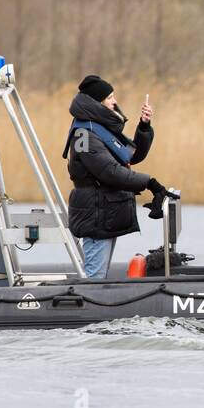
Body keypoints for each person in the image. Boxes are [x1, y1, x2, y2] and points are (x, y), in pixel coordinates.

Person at [62, 74, 167, 279]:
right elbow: (110, 172)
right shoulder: (84, 134)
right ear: (98, 103)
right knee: (95, 277)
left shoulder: (99, 128)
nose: (115, 101)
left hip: (105, 213)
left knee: (99, 276)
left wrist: (144, 127)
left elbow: (131, 156)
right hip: (95, 214)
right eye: (110, 98)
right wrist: (149, 182)